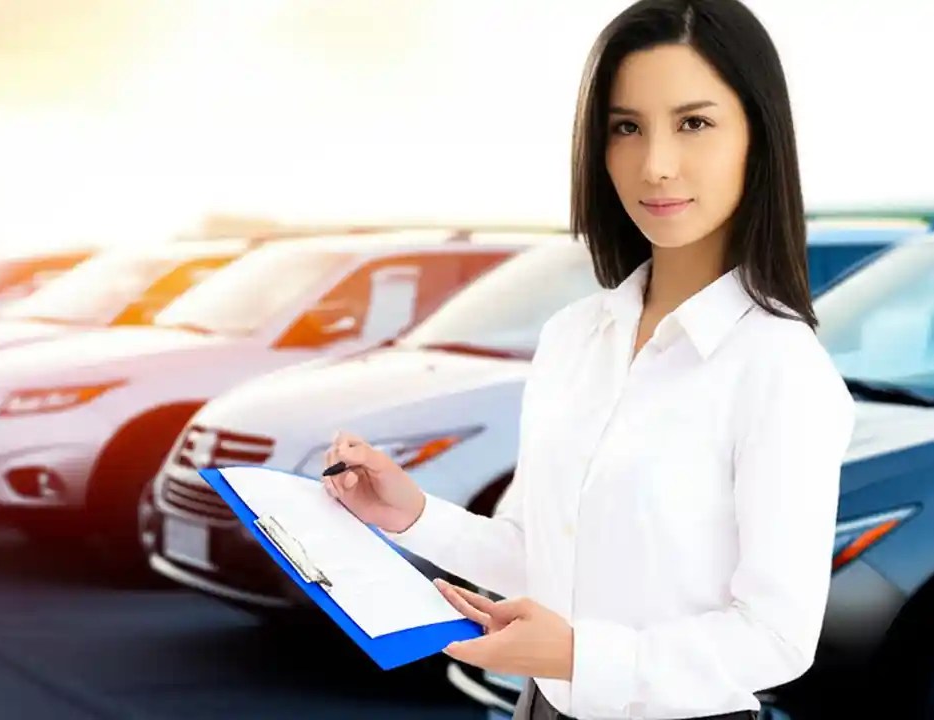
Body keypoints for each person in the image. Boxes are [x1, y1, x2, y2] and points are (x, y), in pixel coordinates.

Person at [321, 0, 855, 718]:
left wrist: (578, 655)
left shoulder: (780, 367)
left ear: (757, 137)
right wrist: (411, 514)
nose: (656, 164)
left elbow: (777, 637)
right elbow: (535, 550)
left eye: (693, 123)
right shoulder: (573, 337)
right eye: (626, 128)